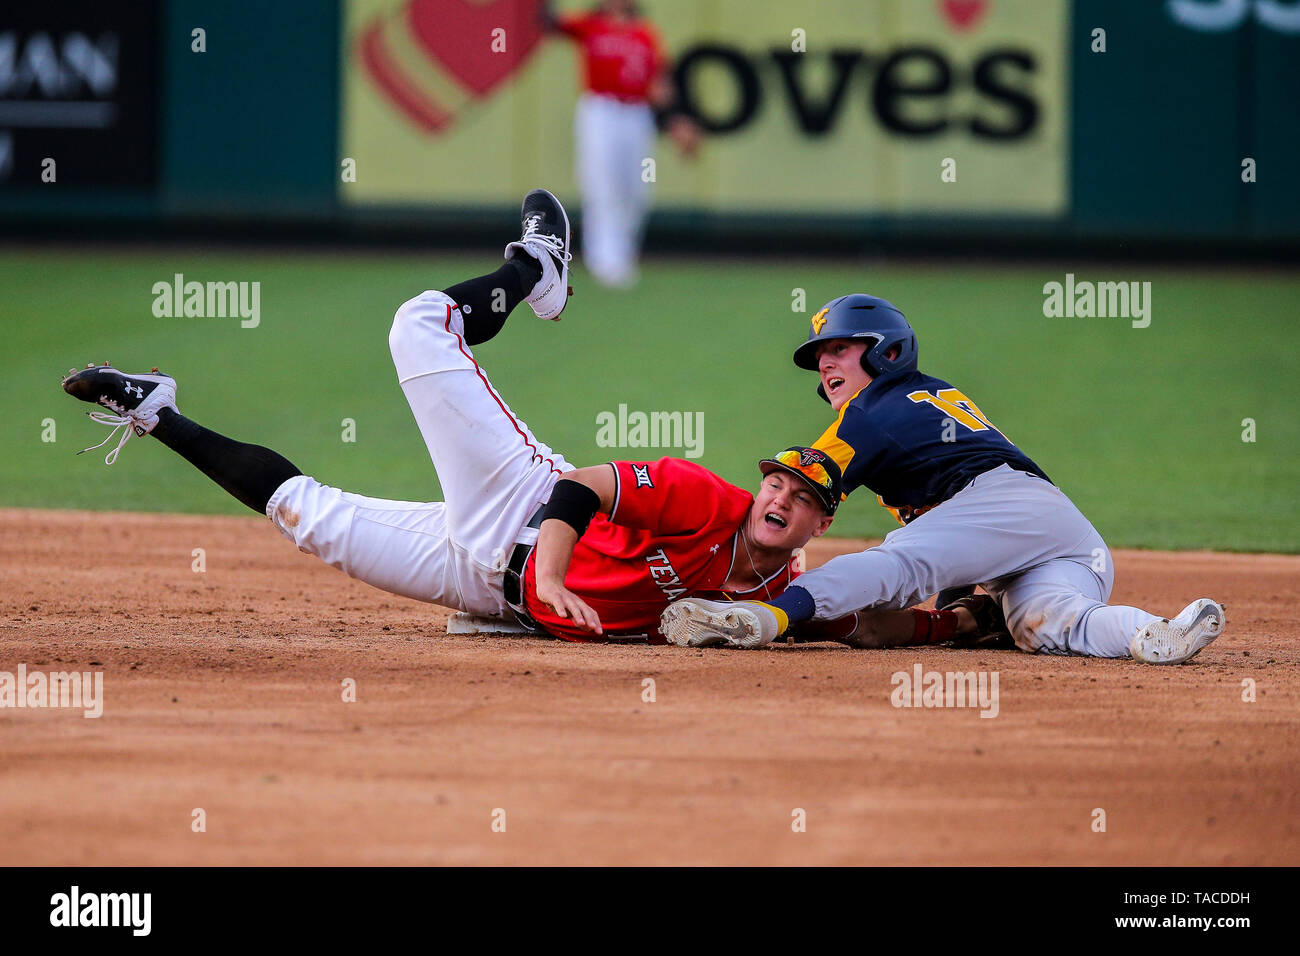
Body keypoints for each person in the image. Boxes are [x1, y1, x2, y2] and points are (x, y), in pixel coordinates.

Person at [62, 191, 982, 647]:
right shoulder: (707, 502)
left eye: (800, 493)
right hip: (518, 507)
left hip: (485, 589)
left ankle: (157, 412)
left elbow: (853, 622)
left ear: (824, 520)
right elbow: (579, 493)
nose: (780, 494)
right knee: (418, 325)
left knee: (310, 520)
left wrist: (968, 624)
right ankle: (535, 268)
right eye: (775, 480)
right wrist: (552, 578)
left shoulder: (777, 593)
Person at [660, 294, 1227, 665]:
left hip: (999, 505)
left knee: (893, 564)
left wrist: (746, 549)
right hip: (1065, 533)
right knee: (1047, 622)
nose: (826, 364)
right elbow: (961, 536)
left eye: (841, 349)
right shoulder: (928, 394)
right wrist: (957, 603)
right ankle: (1155, 634)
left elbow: (802, 485)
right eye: (820, 358)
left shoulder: (867, 415)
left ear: (886, 352)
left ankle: (761, 619)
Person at [544, 0, 701, 288]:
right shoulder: (589, 25)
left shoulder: (644, 33)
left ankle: (624, 255)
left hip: (636, 113)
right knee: (602, 184)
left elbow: (659, 84)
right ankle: (604, 260)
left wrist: (677, 120)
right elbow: (548, 22)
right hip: (600, 110)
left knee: (636, 189)